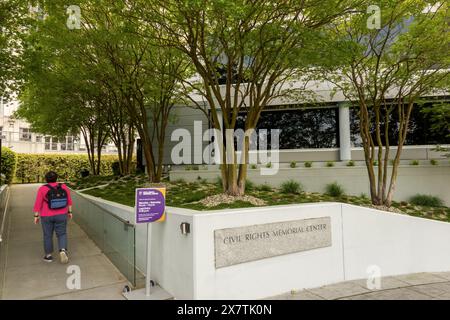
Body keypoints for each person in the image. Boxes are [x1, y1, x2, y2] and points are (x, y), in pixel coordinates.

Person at [33, 171, 73, 264]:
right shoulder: (63, 187)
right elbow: (69, 201)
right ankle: (62, 250)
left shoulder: (42, 189)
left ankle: (48, 256)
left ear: (46, 179)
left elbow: (38, 203)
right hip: (62, 214)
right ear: (56, 178)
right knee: (62, 234)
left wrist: (36, 215)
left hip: (46, 216)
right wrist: (70, 212)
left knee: (47, 235)